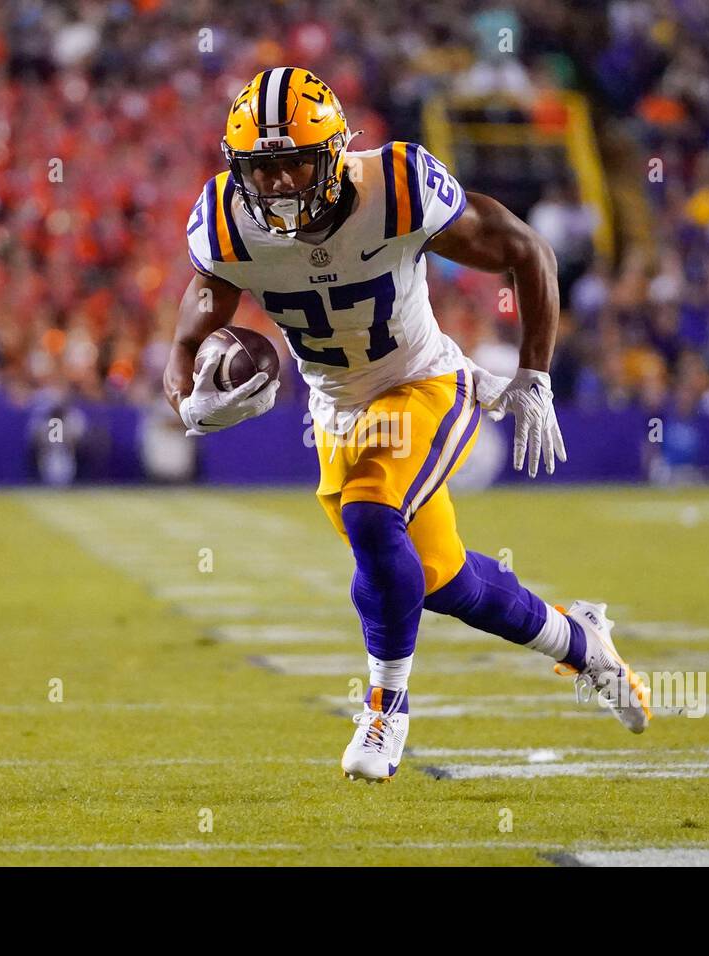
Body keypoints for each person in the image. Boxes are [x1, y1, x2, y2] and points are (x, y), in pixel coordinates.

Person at [163, 68, 650, 782]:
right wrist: (187, 402)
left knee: (369, 510)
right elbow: (184, 342)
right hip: (336, 409)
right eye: (261, 169)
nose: (279, 185)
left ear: (334, 154)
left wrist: (535, 374)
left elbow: (525, 251)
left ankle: (386, 708)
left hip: (422, 381)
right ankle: (582, 641)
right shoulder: (228, 224)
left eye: (297, 161)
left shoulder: (397, 188)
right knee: (440, 581)